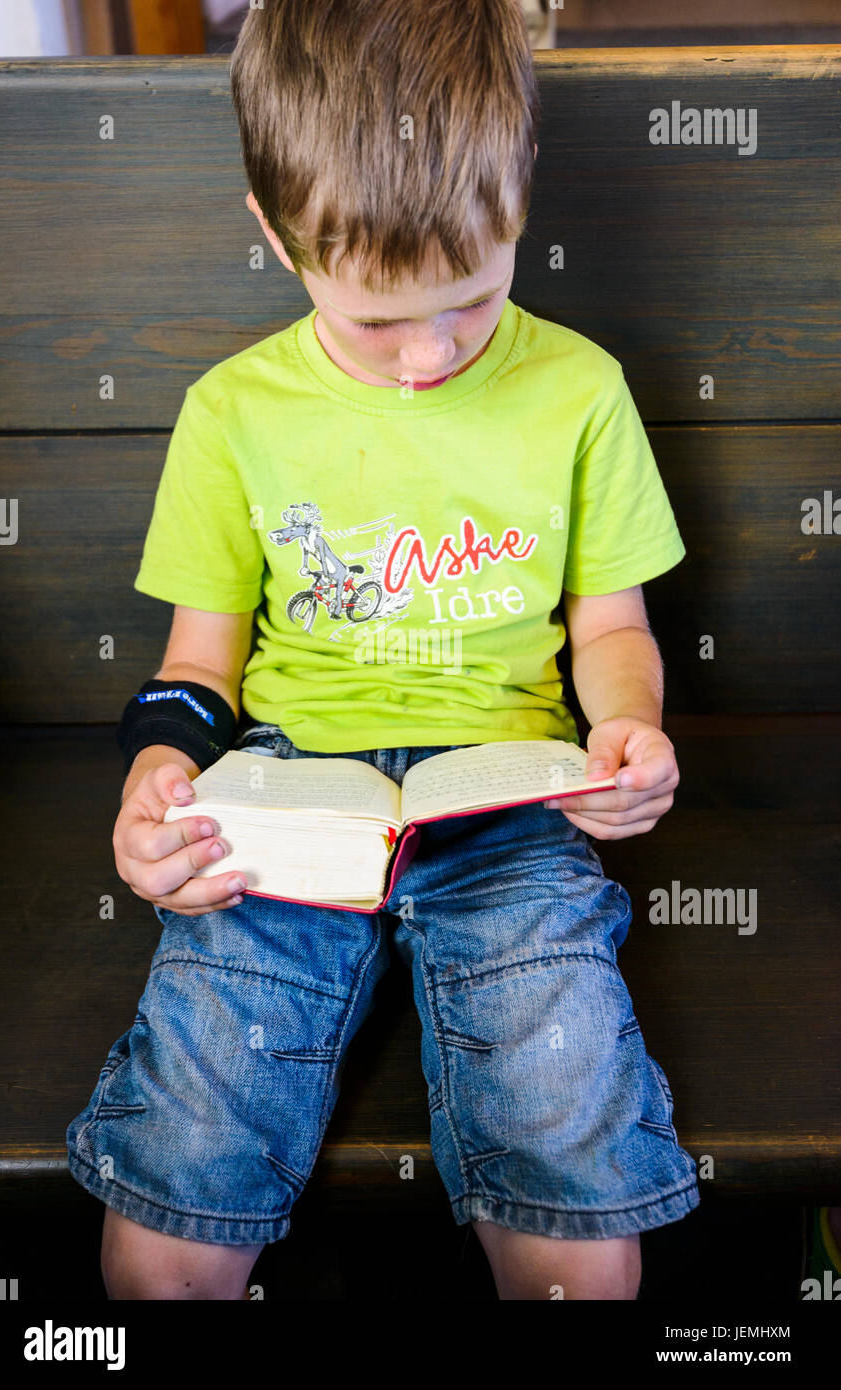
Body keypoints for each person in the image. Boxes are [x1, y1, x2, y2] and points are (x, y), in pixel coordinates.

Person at [66, 0, 699, 1300]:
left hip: (513, 795)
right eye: (373, 322)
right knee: (172, 1205)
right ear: (274, 232)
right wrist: (155, 796)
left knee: (573, 1182)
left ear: (521, 198)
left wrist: (624, 730)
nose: (427, 355)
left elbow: (613, 626)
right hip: (289, 801)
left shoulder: (578, 390)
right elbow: (198, 670)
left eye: (471, 299)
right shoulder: (231, 415)